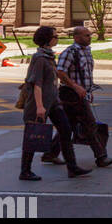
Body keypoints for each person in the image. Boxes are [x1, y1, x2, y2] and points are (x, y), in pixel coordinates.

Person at [19, 26, 92, 182]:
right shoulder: (39, 59)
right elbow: (36, 84)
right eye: (55, 36)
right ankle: (25, 171)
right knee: (33, 135)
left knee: (66, 130)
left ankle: (72, 168)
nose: (57, 38)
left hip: (53, 102)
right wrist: (39, 107)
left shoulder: (49, 56)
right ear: (48, 39)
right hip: (40, 104)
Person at [43, 26, 112, 169]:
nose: (89, 37)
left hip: (82, 93)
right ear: (76, 37)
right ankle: (101, 157)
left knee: (68, 126)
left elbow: (86, 74)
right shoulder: (70, 52)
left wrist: (89, 91)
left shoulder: (87, 52)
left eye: (90, 35)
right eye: (86, 35)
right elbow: (61, 73)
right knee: (90, 124)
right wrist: (76, 87)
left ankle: (50, 153)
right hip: (70, 95)